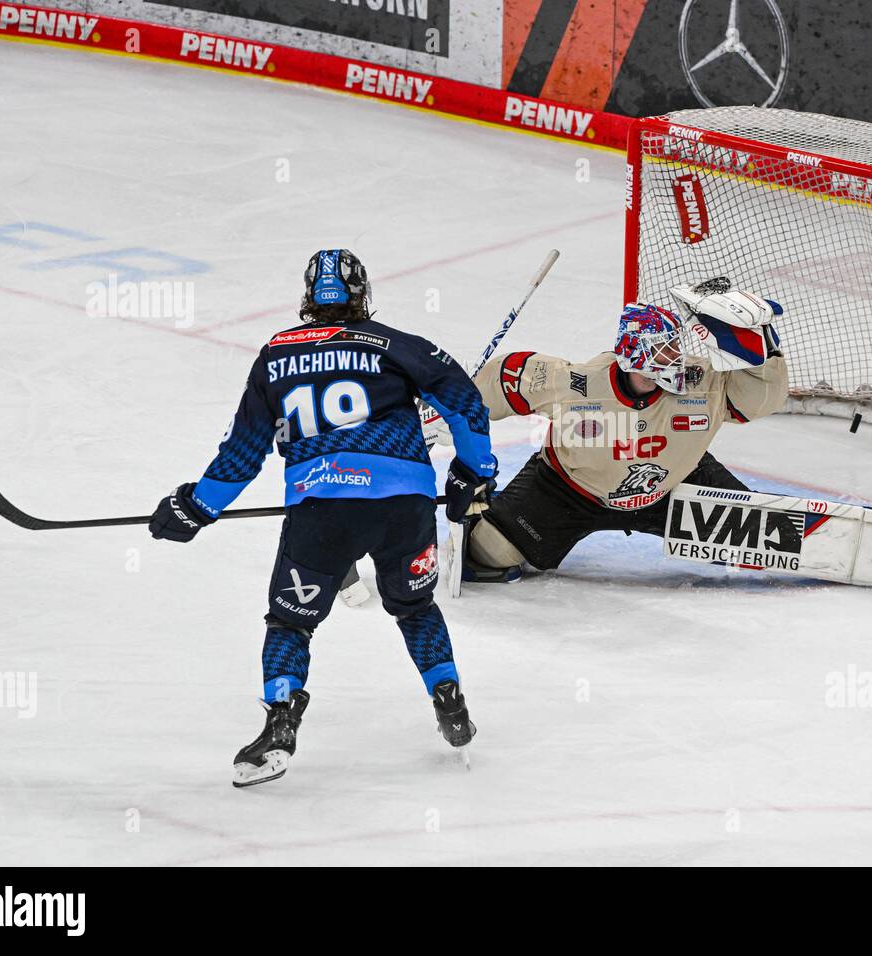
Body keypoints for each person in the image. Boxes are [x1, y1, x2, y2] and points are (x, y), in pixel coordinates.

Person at [148, 249, 496, 787]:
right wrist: (473, 472)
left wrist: (197, 506)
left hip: (323, 510)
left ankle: (281, 724)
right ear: (361, 294)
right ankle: (449, 700)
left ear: (309, 296)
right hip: (404, 509)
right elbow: (466, 403)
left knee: (290, 622)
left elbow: (244, 453)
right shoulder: (398, 345)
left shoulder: (274, 355)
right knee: (414, 607)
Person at [456, 278, 809, 580]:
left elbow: (760, 400)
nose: (672, 360)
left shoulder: (700, 381)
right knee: (490, 553)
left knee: (762, 539)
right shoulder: (574, 384)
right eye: (659, 352)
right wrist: (450, 406)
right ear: (631, 357)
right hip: (568, 491)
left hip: (676, 485)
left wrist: (760, 347)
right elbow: (501, 381)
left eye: (673, 348)